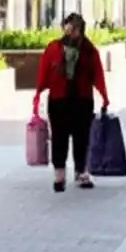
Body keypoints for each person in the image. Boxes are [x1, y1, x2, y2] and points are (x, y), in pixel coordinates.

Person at [33, 13, 111, 193]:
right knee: (59, 138)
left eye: (75, 29)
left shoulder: (88, 50)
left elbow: (97, 74)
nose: (71, 32)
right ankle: (59, 175)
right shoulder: (54, 48)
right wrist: (37, 95)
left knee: (81, 138)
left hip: (82, 99)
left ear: (81, 30)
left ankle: (80, 172)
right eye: (68, 28)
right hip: (59, 99)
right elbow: (44, 72)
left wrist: (104, 97)